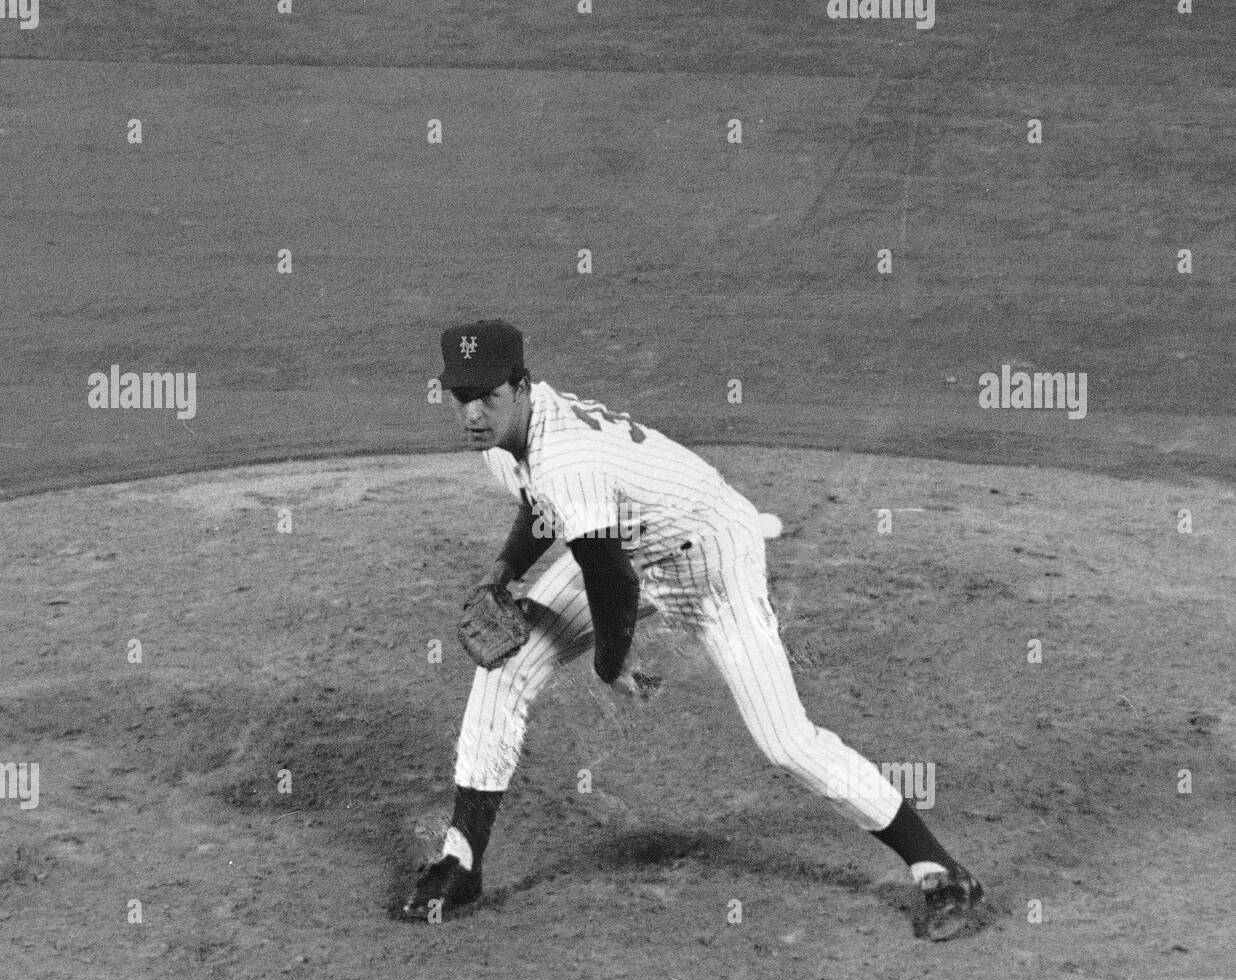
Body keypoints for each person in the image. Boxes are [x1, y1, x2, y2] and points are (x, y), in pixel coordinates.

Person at [399, 318, 990, 941]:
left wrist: (611, 664)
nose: (471, 413)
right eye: (460, 397)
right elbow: (540, 504)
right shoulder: (507, 438)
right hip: (632, 544)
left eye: (486, 397)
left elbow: (613, 582)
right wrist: (503, 571)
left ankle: (943, 871)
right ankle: (461, 861)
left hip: (711, 558)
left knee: (784, 740)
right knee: (504, 669)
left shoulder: (570, 458)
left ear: (520, 387)